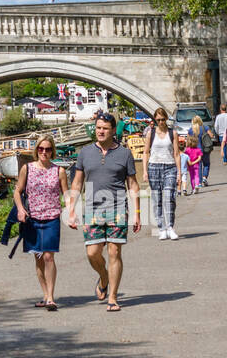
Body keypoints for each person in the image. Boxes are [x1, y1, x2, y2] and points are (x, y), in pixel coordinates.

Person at [68, 114, 141, 311]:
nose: (100, 131)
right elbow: (77, 182)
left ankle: (113, 298)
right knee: (92, 253)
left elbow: (133, 185)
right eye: (98, 127)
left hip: (117, 208)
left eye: (105, 128)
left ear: (113, 130)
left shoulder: (125, 154)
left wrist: (137, 212)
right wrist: (71, 209)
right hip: (92, 208)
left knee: (114, 252)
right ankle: (103, 277)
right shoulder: (84, 153)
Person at [13, 137, 68, 311]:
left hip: (52, 217)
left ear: (53, 151)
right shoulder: (27, 169)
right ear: (37, 150)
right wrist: (21, 209)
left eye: (48, 149)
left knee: (48, 257)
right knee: (38, 258)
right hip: (32, 218)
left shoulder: (59, 171)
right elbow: (18, 191)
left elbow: (66, 194)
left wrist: (71, 211)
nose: (44, 152)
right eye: (41, 149)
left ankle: (51, 297)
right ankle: (45, 295)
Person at [144, 107, 180, 240]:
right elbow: (146, 152)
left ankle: (170, 227)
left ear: (166, 119)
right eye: (158, 120)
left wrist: (179, 173)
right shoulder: (150, 133)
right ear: (155, 120)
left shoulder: (173, 133)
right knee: (157, 199)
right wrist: (144, 171)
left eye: (163, 119)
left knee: (169, 197)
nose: (160, 122)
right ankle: (161, 228)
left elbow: (176, 154)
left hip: (169, 167)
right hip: (154, 167)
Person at [190, 116, 214, 185]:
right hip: (205, 148)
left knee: (198, 165)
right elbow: (211, 135)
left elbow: (188, 140)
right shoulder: (205, 127)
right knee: (206, 164)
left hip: (195, 150)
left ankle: (199, 182)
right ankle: (204, 177)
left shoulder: (191, 130)